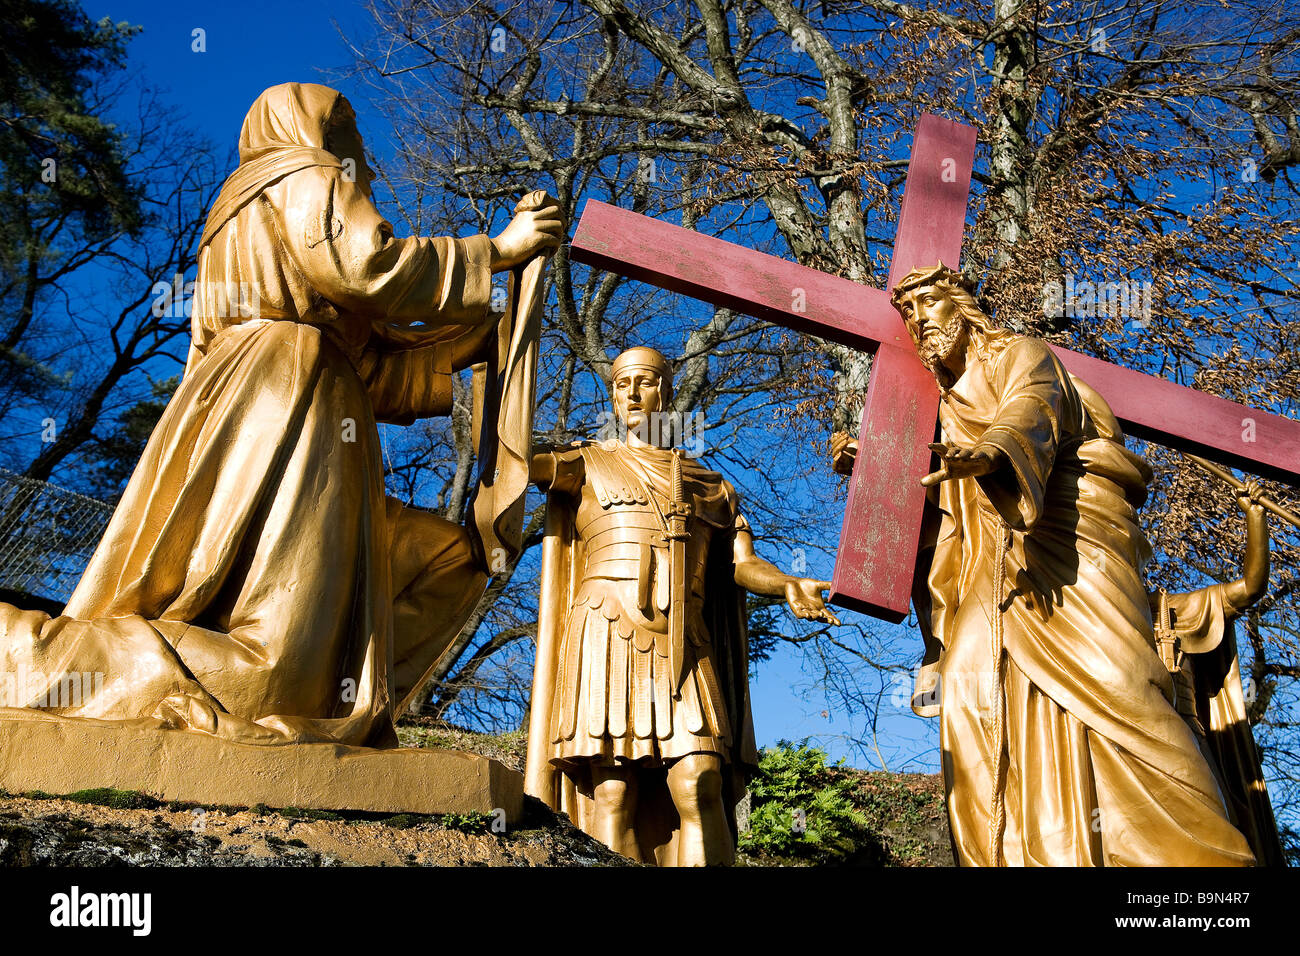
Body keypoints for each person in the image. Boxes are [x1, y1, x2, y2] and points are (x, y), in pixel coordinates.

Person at [0, 82, 561, 746]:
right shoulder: (301, 174)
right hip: (288, 399)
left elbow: (373, 371)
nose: (367, 164)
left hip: (283, 400)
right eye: (353, 137)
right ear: (315, 129)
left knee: (436, 565)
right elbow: (367, 266)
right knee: (273, 672)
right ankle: (21, 652)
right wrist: (495, 250)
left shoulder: (247, 222)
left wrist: (494, 323)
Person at [832, 262, 1253, 865]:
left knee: (1123, 685)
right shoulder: (939, 408)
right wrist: (876, 464)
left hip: (1071, 545)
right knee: (970, 689)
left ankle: (1203, 861)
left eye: (930, 303)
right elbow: (936, 508)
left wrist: (989, 453)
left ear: (964, 306)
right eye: (908, 313)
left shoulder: (1022, 354)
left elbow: (1032, 405)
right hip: (988, 569)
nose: (919, 320)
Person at [525, 346, 839, 865]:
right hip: (605, 627)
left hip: (685, 638)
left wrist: (785, 584)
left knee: (701, 779)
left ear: (665, 392)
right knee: (612, 792)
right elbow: (513, 464)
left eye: (644, 381)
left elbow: (741, 565)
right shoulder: (584, 463)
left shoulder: (710, 486)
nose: (629, 392)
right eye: (621, 383)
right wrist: (499, 392)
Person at [1150, 478, 1284, 865]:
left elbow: (1248, 589)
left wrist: (1255, 518)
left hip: (1186, 743)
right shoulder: (1088, 621)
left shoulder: (1168, 609)